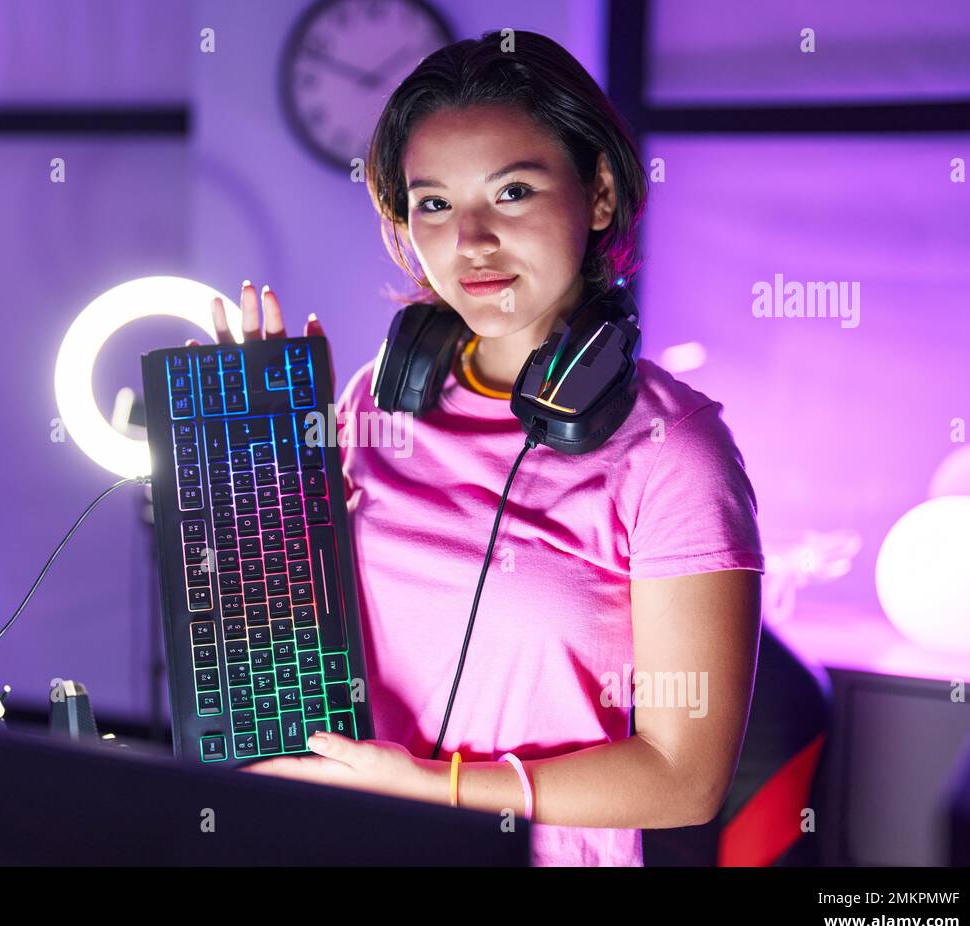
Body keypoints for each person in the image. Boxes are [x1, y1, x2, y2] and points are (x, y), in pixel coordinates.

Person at [186, 30, 764, 867]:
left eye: (514, 190)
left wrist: (436, 790)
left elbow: (685, 778)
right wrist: (253, 466)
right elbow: (286, 664)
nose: (471, 242)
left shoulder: (676, 450)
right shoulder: (376, 401)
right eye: (433, 203)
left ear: (598, 194)